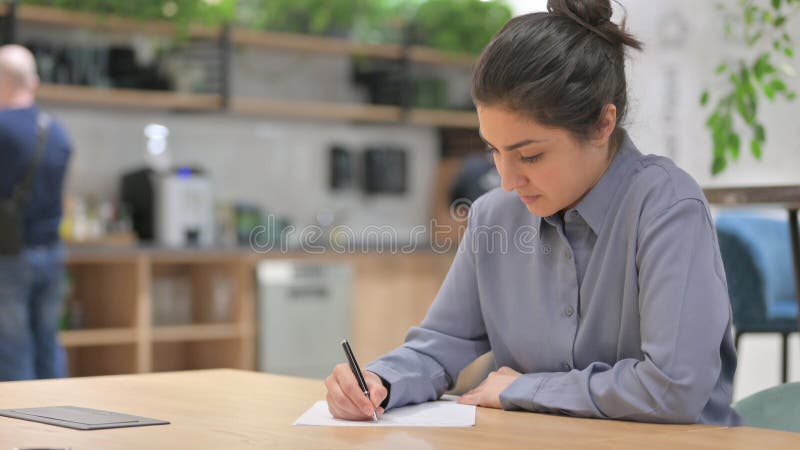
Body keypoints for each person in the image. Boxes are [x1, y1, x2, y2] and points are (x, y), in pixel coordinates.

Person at [325, 0, 742, 426]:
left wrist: (522, 388)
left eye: (530, 156)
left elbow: (673, 388)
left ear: (602, 124)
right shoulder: (494, 217)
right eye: (494, 151)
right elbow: (441, 344)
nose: (507, 181)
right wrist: (379, 381)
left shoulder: (667, 208)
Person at [0, 44, 72, 380]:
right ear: (34, 81)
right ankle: (57, 421)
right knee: (48, 343)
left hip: (9, 254)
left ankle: (17, 430)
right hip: (52, 251)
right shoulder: (57, 132)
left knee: (12, 347)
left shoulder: (2, 127)